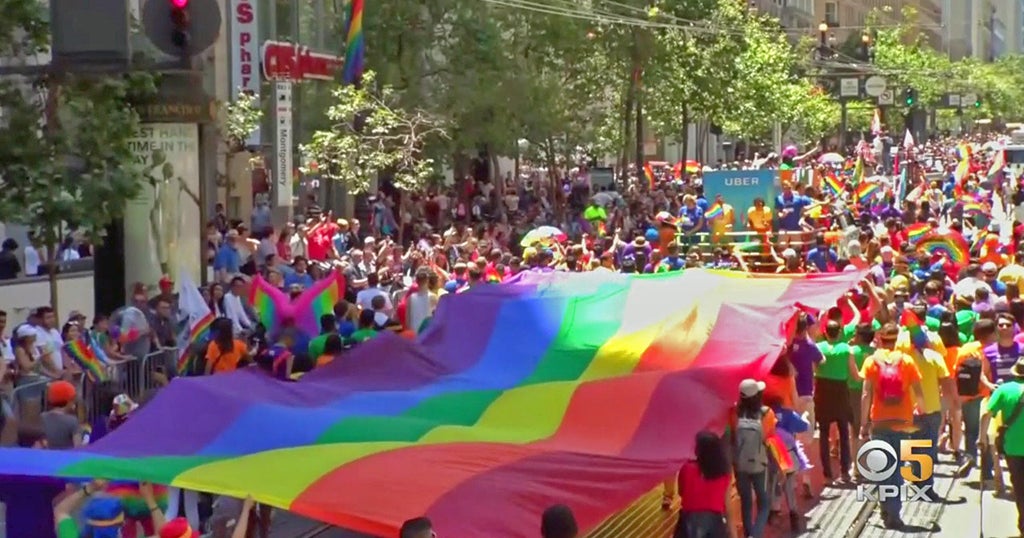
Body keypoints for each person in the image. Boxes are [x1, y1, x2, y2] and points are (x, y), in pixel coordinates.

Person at [859, 322, 925, 530]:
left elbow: (866, 394)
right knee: (897, 467)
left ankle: (885, 504)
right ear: (896, 340)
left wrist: (863, 423)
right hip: (902, 421)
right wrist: (919, 410)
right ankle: (894, 512)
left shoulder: (871, 362)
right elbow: (919, 391)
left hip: (878, 420)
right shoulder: (907, 361)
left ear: (879, 338)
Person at [732, 378, 776, 538]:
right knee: (764, 503)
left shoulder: (734, 412)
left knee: (746, 501)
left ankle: (748, 533)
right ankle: (755, 534)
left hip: (740, 464)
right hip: (760, 462)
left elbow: (733, 436)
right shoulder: (767, 413)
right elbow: (768, 437)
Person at [673, 430, 737, 538]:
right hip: (715, 524)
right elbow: (727, 508)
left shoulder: (687, 468)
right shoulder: (723, 475)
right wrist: (733, 534)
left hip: (688, 521)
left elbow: (681, 492)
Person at [41, 380, 86, 449]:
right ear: (69, 401)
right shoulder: (72, 421)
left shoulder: (41, 418)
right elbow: (78, 447)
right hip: (65, 458)